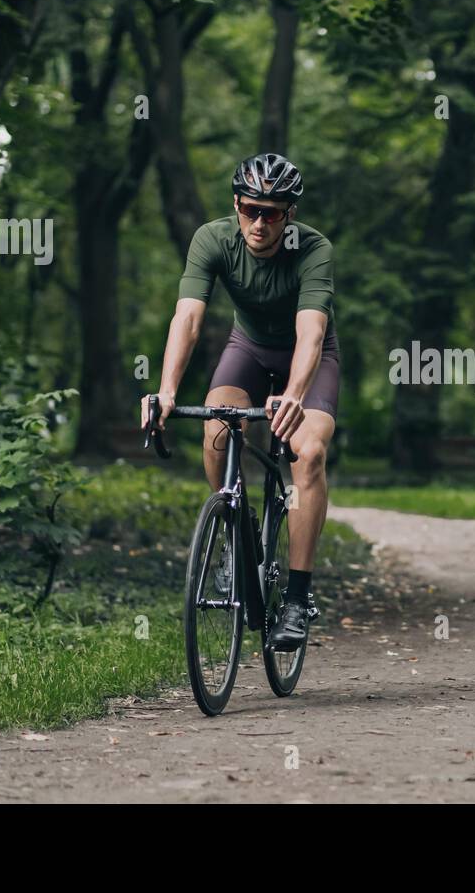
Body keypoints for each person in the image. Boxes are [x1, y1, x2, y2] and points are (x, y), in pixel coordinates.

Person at [146, 152, 338, 652]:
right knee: (216, 427)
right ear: (236, 204)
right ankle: (235, 532)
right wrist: (167, 391)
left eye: (271, 212)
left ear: (289, 214)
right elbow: (187, 319)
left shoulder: (313, 249)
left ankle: (297, 597)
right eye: (250, 209)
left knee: (310, 454)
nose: (259, 222)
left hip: (306, 359)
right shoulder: (212, 240)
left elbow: (311, 334)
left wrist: (293, 397)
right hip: (247, 349)